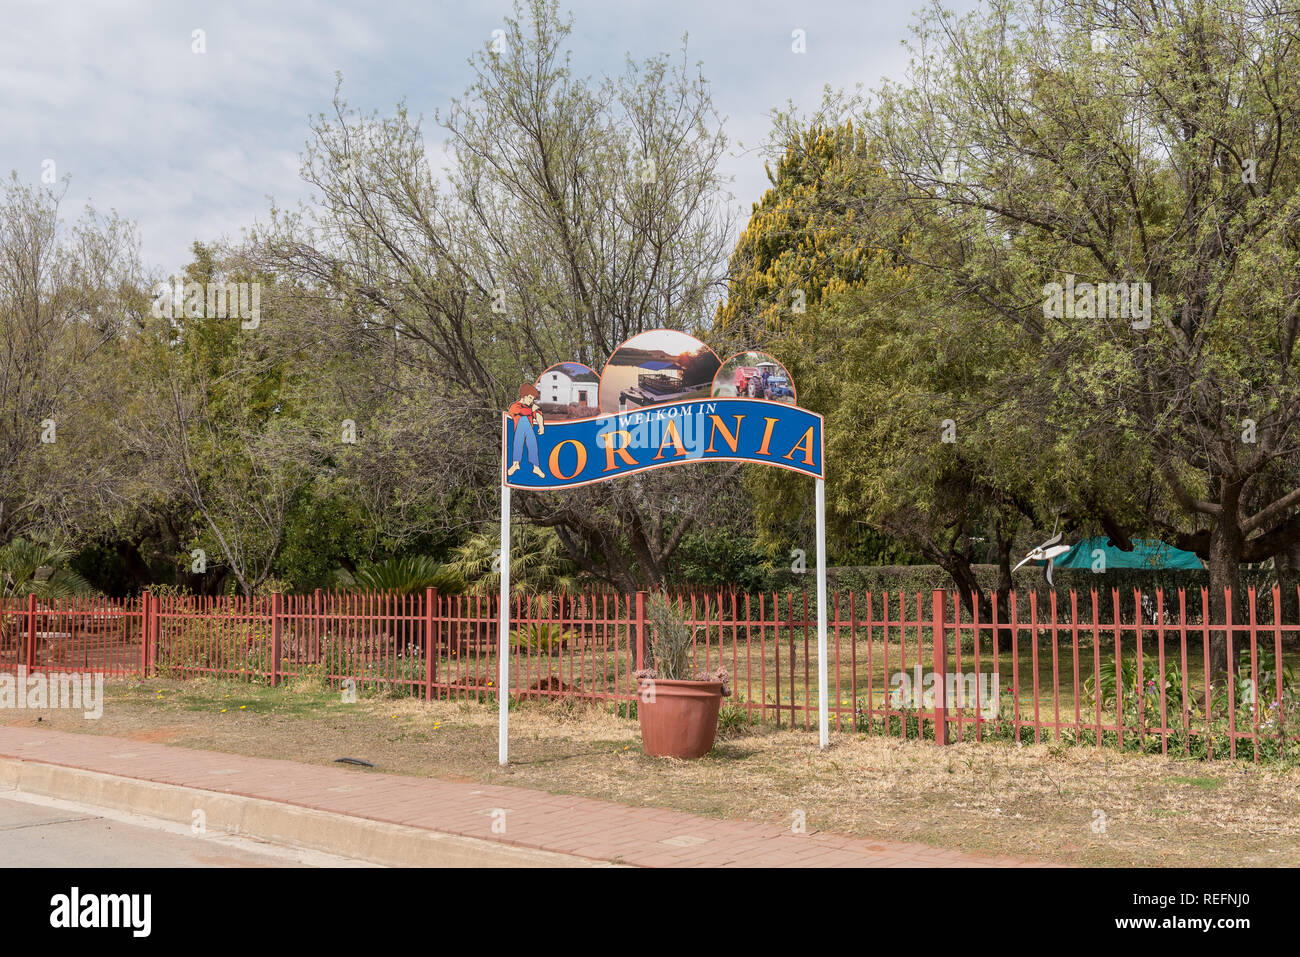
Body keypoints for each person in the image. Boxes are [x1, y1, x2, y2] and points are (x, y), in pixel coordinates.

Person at [507, 383, 546, 478]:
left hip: (528, 432)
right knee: (523, 421)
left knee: (531, 439)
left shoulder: (531, 407)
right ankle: (519, 464)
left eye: (532, 399)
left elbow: (538, 415)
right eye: (529, 398)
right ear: (523, 396)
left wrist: (541, 426)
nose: (531, 401)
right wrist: (532, 410)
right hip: (519, 431)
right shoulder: (515, 406)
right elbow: (521, 412)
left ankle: (533, 466)